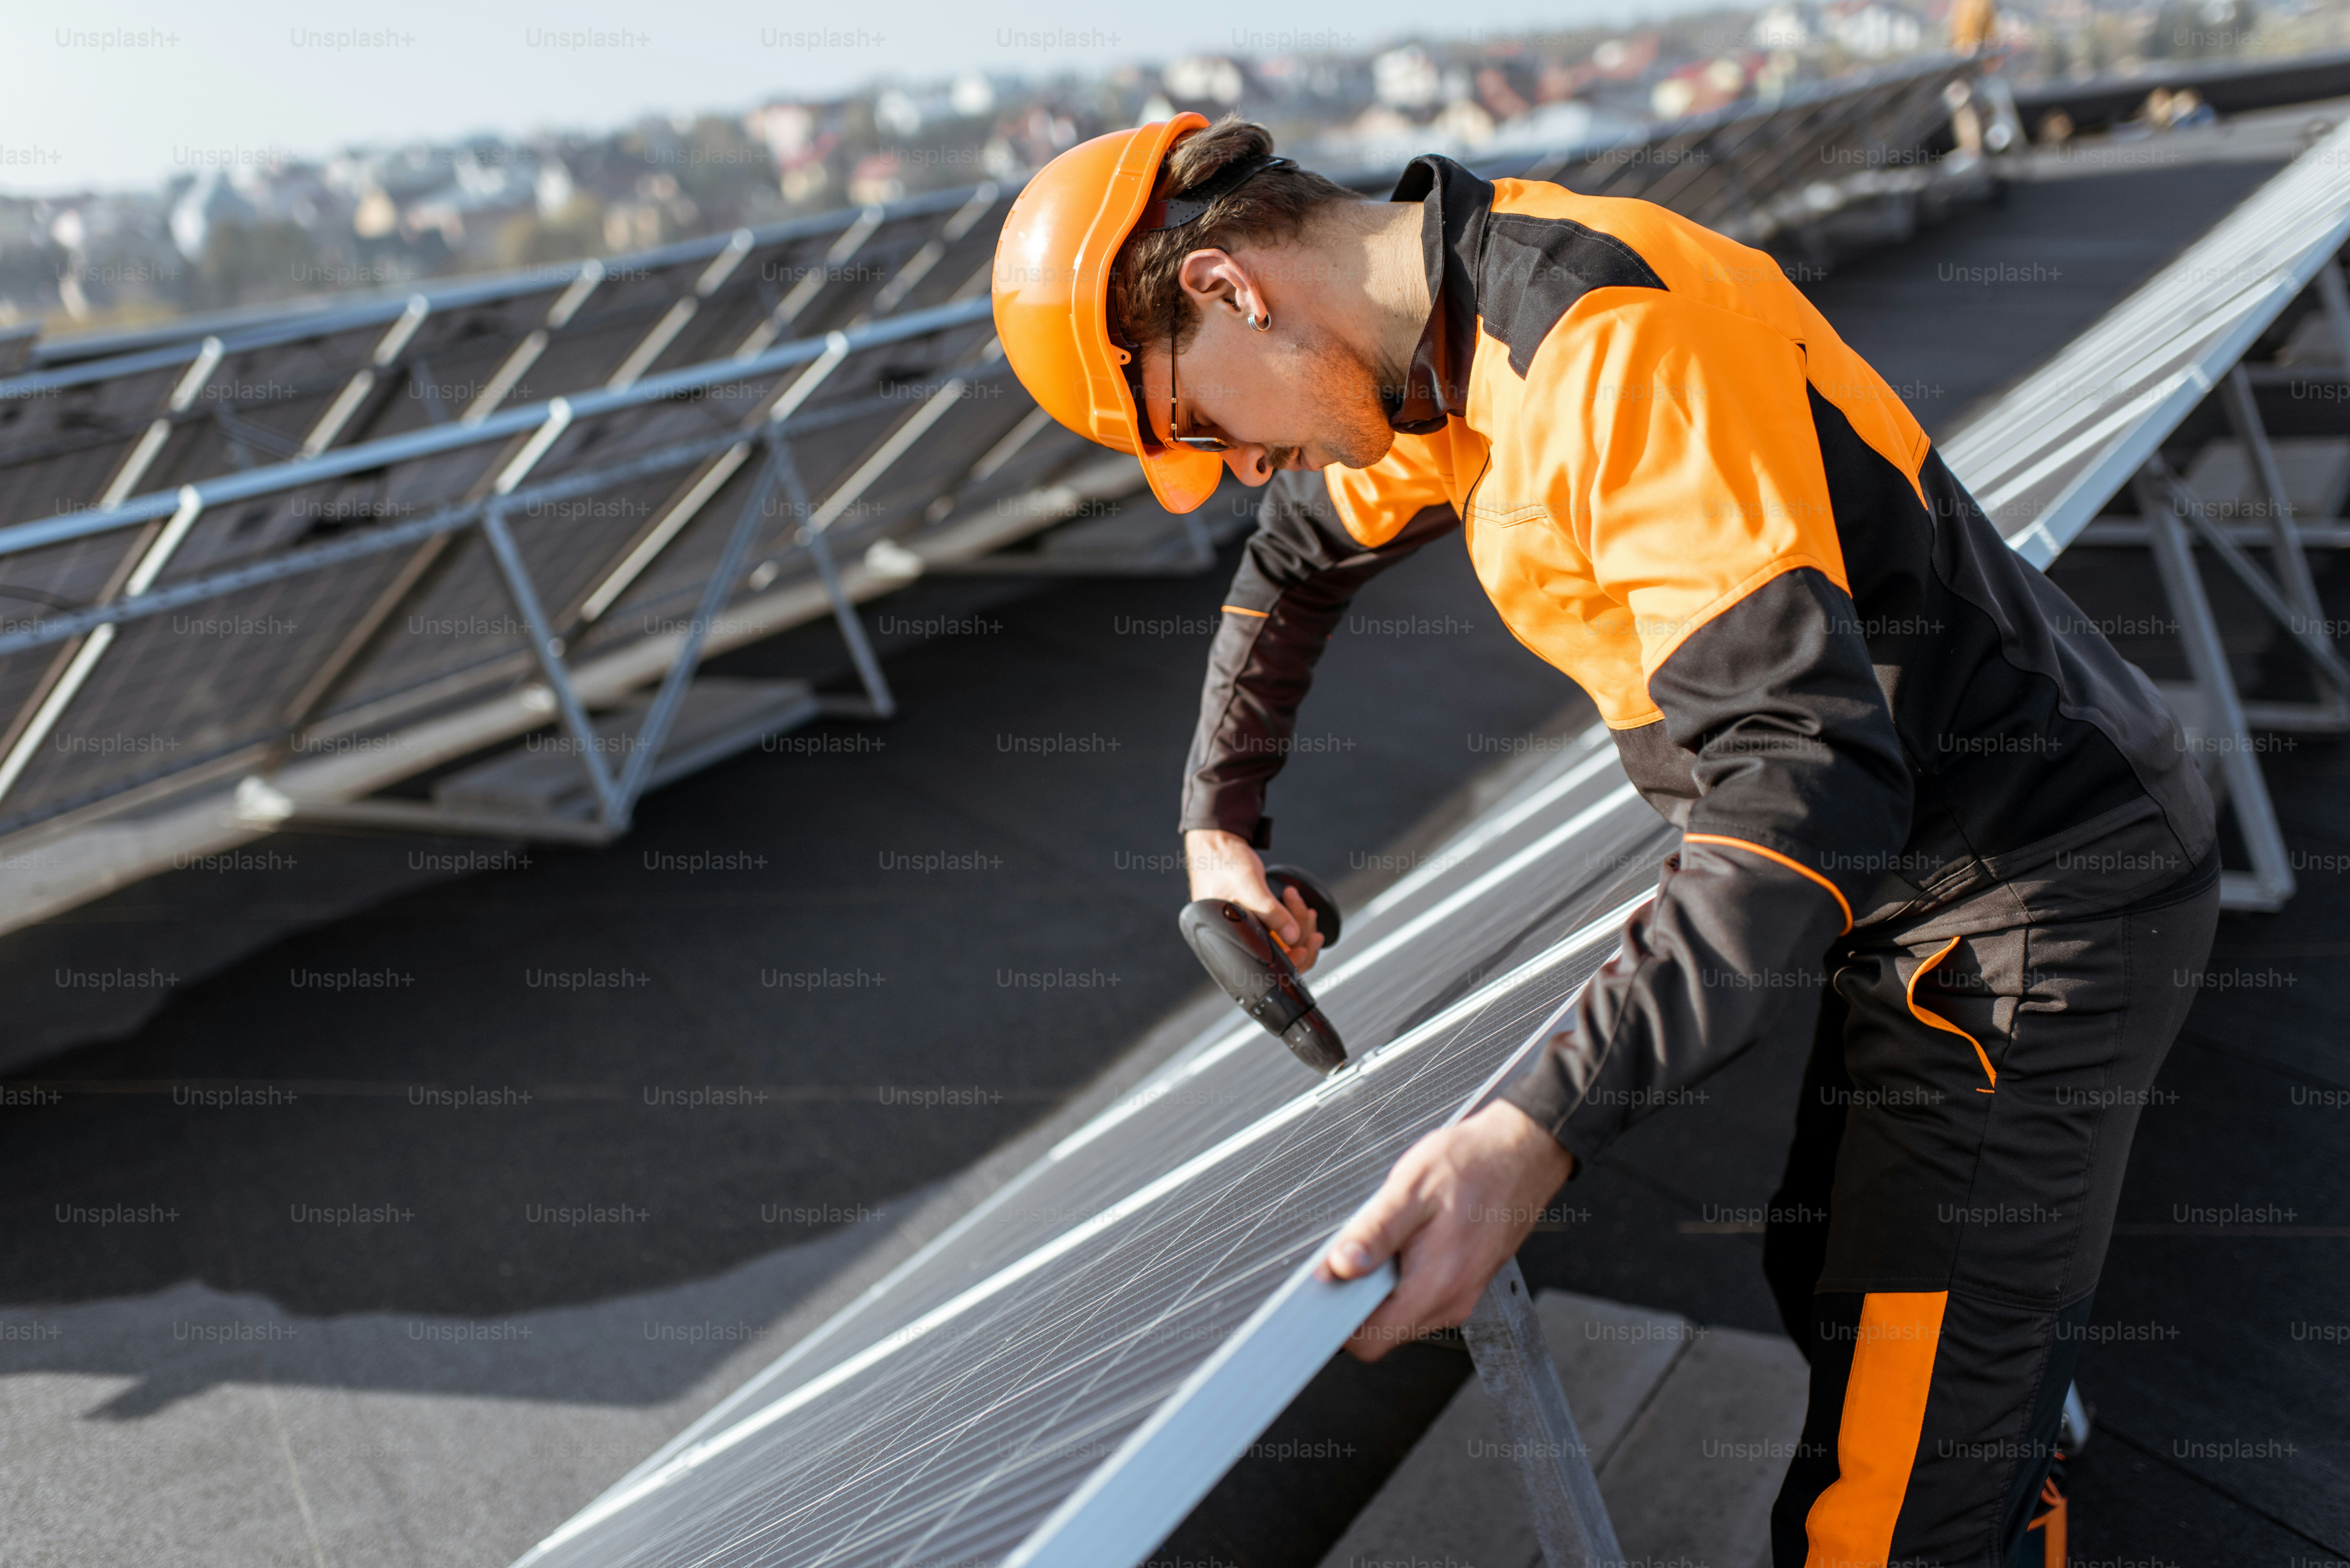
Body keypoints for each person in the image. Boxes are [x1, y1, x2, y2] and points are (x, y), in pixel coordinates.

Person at [989, 111, 2219, 1567]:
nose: (1244, 468)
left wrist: (1531, 1135)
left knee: (1882, 1523)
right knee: (1827, 1272)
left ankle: (1988, 1464)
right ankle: (2008, 1435)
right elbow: (1296, 557)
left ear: (1227, 289)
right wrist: (1220, 821)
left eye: (1199, 426)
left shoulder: (1608, 347)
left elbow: (1801, 770)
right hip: (1920, 886)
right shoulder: (1432, 349)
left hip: (2038, 895)